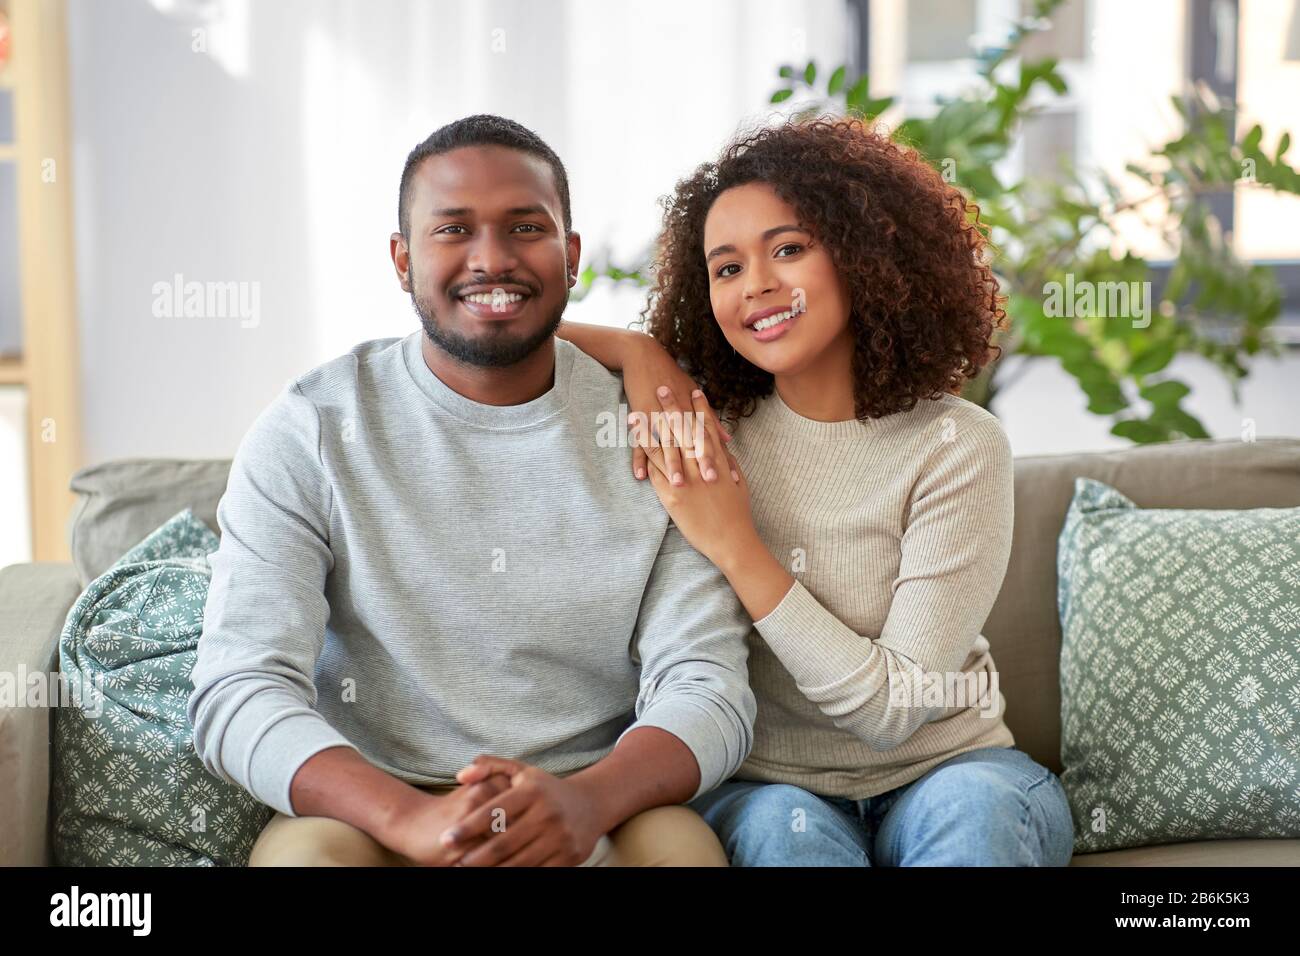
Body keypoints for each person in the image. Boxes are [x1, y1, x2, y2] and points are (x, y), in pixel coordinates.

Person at [188, 114, 756, 867]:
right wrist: (411, 820)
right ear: (402, 259)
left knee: (682, 852)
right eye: (452, 230)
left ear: (570, 253)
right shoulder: (312, 429)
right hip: (373, 815)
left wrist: (586, 801)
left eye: (526, 226)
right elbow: (237, 690)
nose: (492, 259)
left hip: (596, 808)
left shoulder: (655, 429)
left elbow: (709, 684)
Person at [556, 114, 1076, 866]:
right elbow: (511, 328)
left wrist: (736, 545)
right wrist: (637, 349)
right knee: (780, 832)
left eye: (789, 249)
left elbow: (896, 711)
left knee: (975, 813)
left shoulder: (958, 445)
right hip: (769, 788)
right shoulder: (703, 425)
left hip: (952, 772)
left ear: (865, 255)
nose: (758, 286)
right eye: (726, 268)